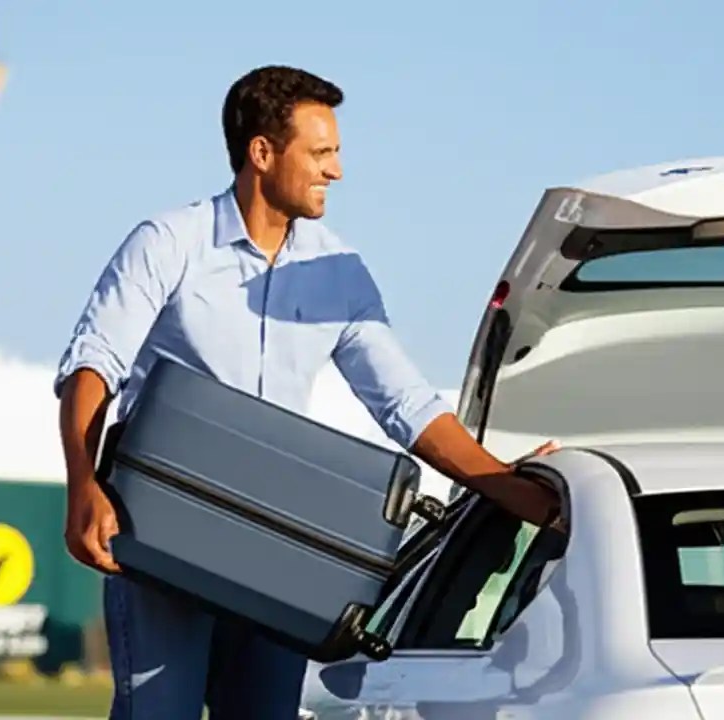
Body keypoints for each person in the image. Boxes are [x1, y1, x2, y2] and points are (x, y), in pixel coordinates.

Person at [53, 64, 562, 720]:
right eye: (321, 153)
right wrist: (81, 486)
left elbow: (404, 403)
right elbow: (94, 366)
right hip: (165, 539)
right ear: (262, 153)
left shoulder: (340, 273)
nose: (337, 171)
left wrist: (505, 484)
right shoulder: (169, 244)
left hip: (278, 555)